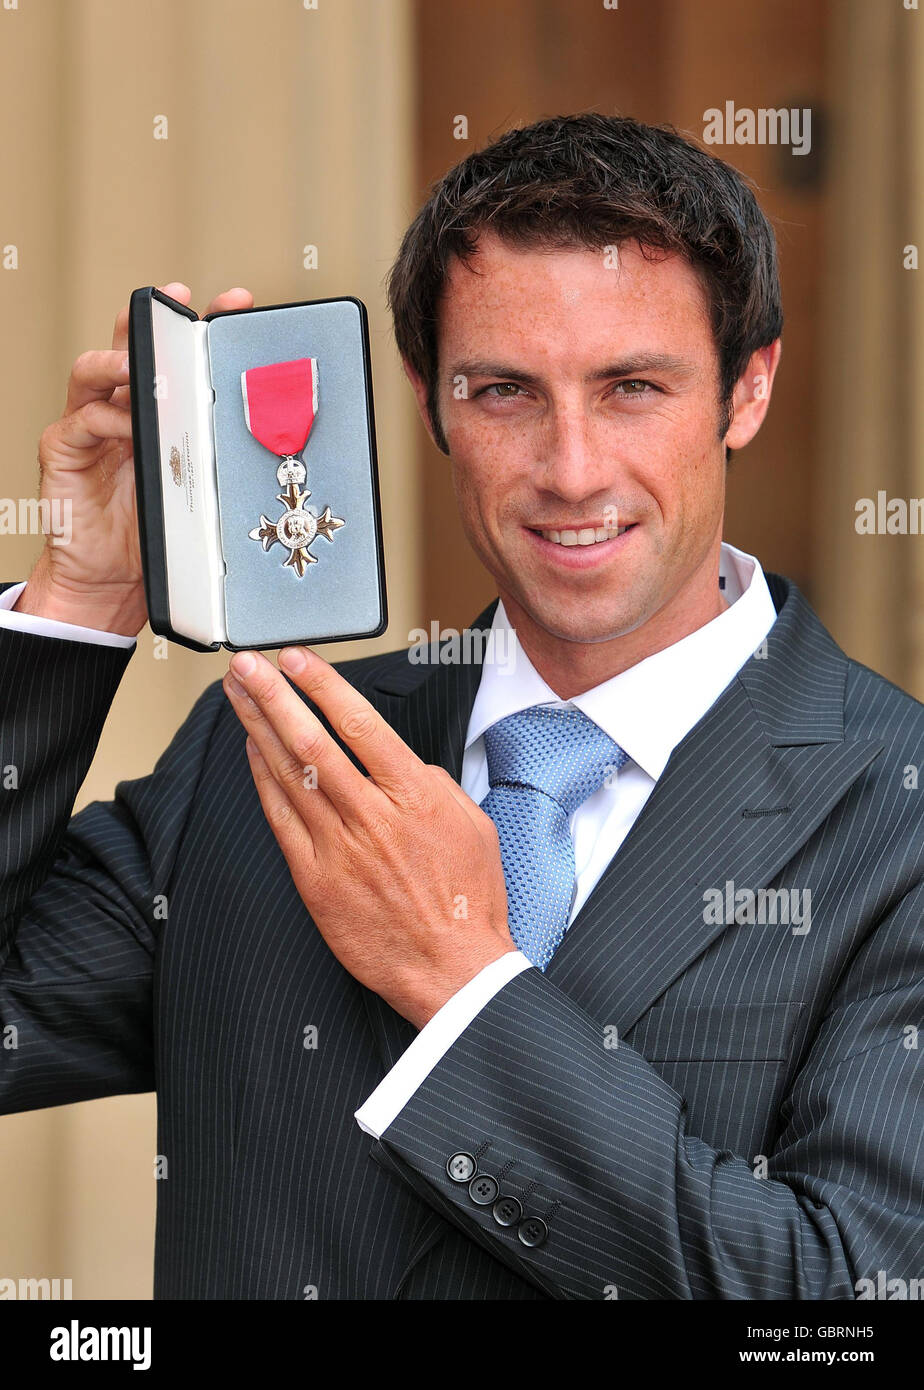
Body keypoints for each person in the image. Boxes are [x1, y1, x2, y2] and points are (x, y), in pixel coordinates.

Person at [1, 113, 922, 1301]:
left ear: (748, 391)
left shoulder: (895, 813)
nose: (572, 467)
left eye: (633, 387)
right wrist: (76, 600)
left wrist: (463, 983)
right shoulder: (272, 744)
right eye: (503, 392)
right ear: (427, 399)